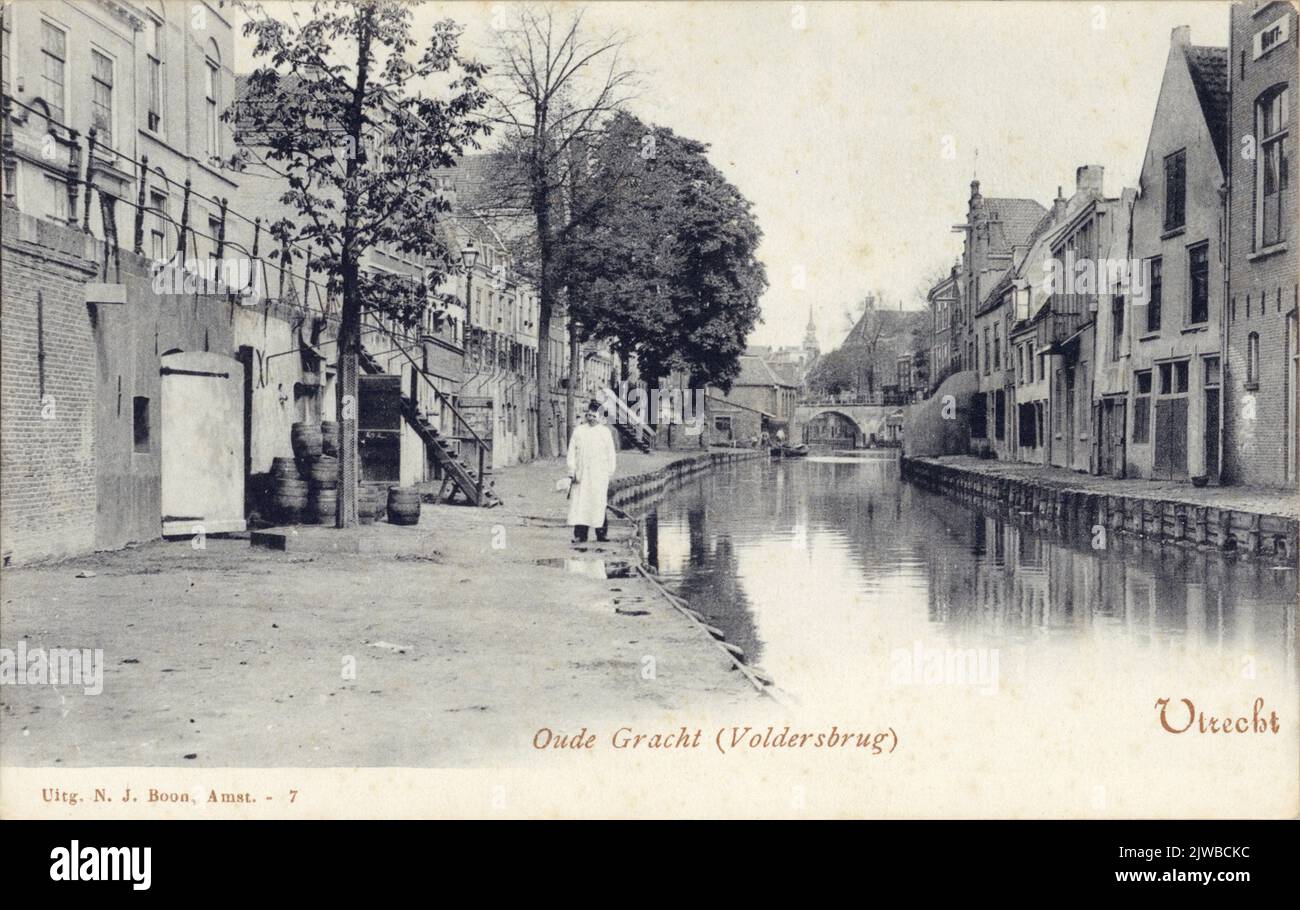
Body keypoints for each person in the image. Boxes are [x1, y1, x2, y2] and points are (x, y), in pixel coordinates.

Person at [567, 400, 617, 543]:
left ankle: (601, 534)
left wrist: (609, 472)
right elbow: (571, 452)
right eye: (589, 415)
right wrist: (572, 470)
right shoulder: (579, 431)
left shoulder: (605, 432)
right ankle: (580, 535)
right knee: (581, 504)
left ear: (599, 417)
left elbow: (610, 454)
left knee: (598, 503)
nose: (591, 418)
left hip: (598, 474)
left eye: (594, 416)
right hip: (581, 475)